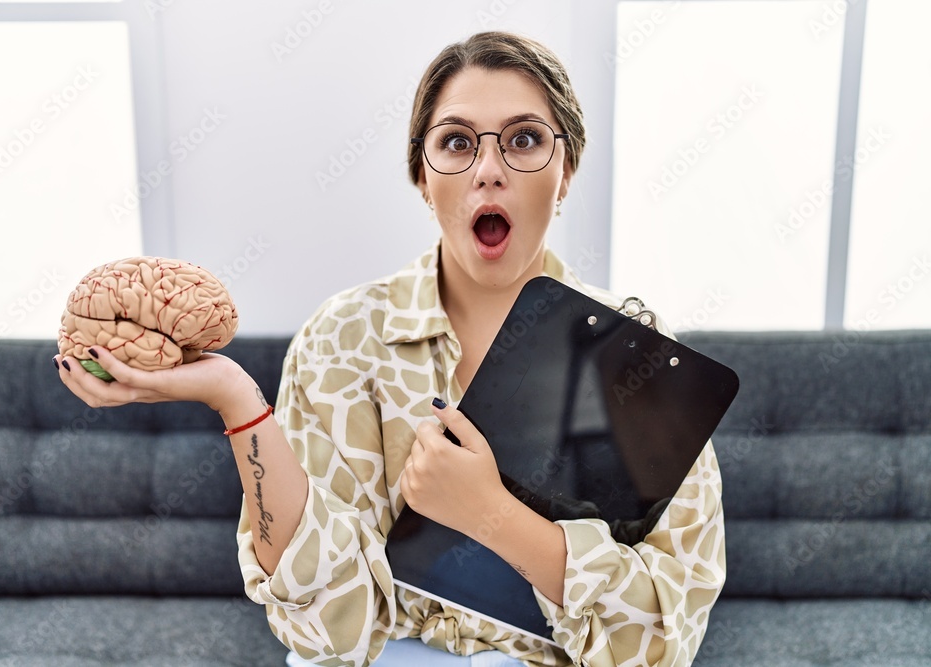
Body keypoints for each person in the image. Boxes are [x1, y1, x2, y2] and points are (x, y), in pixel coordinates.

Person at [55, 31, 725, 667]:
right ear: (421, 177)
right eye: (457, 142)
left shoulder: (640, 354)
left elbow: (665, 635)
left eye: (524, 139)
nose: (488, 170)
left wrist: (488, 513)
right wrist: (236, 399)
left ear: (567, 170)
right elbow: (326, 627)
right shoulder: (343, 337)